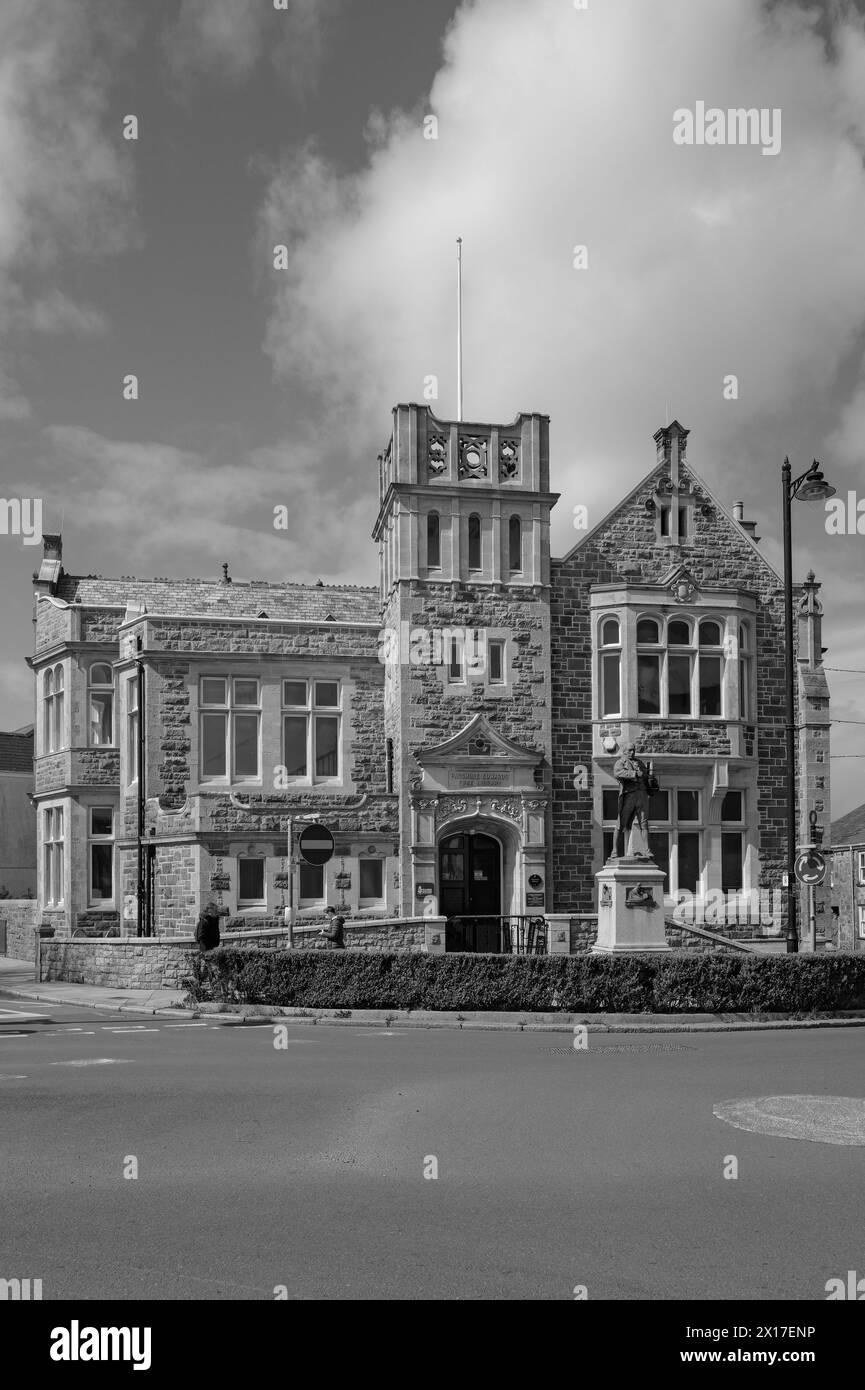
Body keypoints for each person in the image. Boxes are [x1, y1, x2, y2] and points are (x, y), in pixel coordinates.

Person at [613, 745, 659, 859]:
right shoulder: (620, 762)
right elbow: (618, 773)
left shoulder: (640, 763)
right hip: (629, 794)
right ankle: (614, 851)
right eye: (629, 750)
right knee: (621, 823)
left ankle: (647, 851)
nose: (632, 752)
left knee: (644, 823)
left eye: (633, 750)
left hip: (642, 795)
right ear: (624, 751)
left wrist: (651, 779)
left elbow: (646, 777)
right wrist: (633, 774)